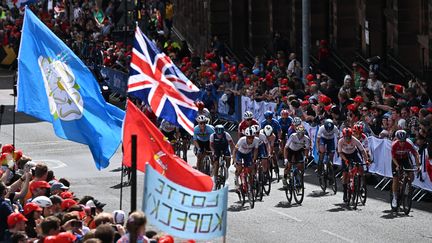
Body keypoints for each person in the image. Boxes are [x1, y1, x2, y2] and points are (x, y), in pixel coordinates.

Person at [337, 128, 370, 202]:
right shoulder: (341, 141)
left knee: (360, 166)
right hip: (344, 154)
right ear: (343, 137)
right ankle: (345, 192)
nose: (348, 139)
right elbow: (340, 153)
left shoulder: (354, 140)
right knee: (345, 174)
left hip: (354, 153)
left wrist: (366, 160)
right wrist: (345, 160)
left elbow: (362, 150)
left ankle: (361, 182)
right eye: (346, 137)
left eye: (349, 137)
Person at [390, 130, 421, 208]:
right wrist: (397, 166)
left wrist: (418, 166)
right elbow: (393, 157)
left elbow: (416, 154)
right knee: (396, 178)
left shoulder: (409, 143)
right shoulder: (394, 144)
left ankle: (406, 186)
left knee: (411, 175)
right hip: (396, 160)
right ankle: (395, 197)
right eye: (400, 141)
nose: (402, 143)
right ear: (397, 139)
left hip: (404, 158)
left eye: (403, 141)